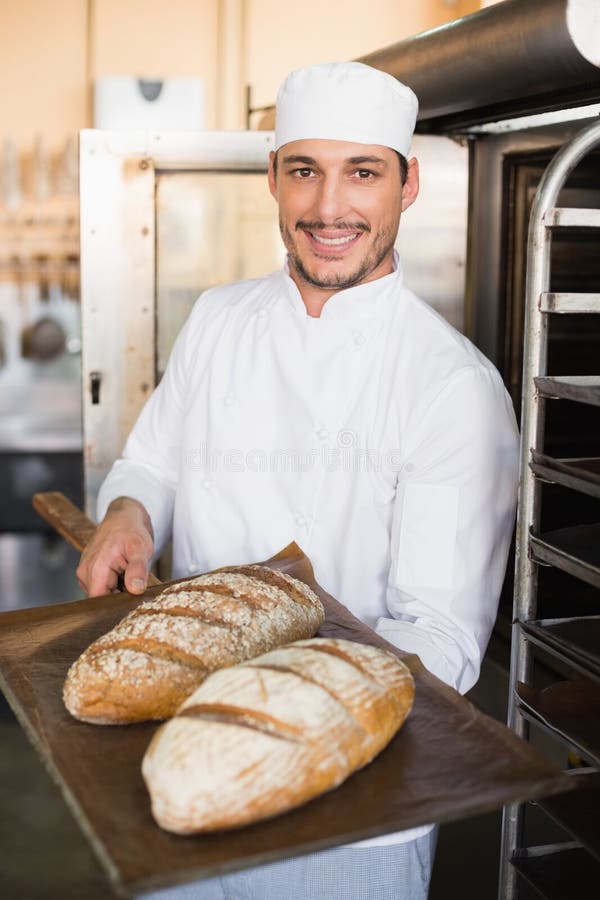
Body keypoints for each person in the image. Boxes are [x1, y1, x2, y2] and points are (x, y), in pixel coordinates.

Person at [77, 62, 520, 900]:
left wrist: (263, 689)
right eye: (305, 171)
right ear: (272, 178)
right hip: (181, 760)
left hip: (349, 809)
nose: (328, 209)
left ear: (407, 184)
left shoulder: (450, 387)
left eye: (362, 173)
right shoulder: (218, 318)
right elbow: (153, 460)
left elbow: (442, 638)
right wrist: (131, 512)